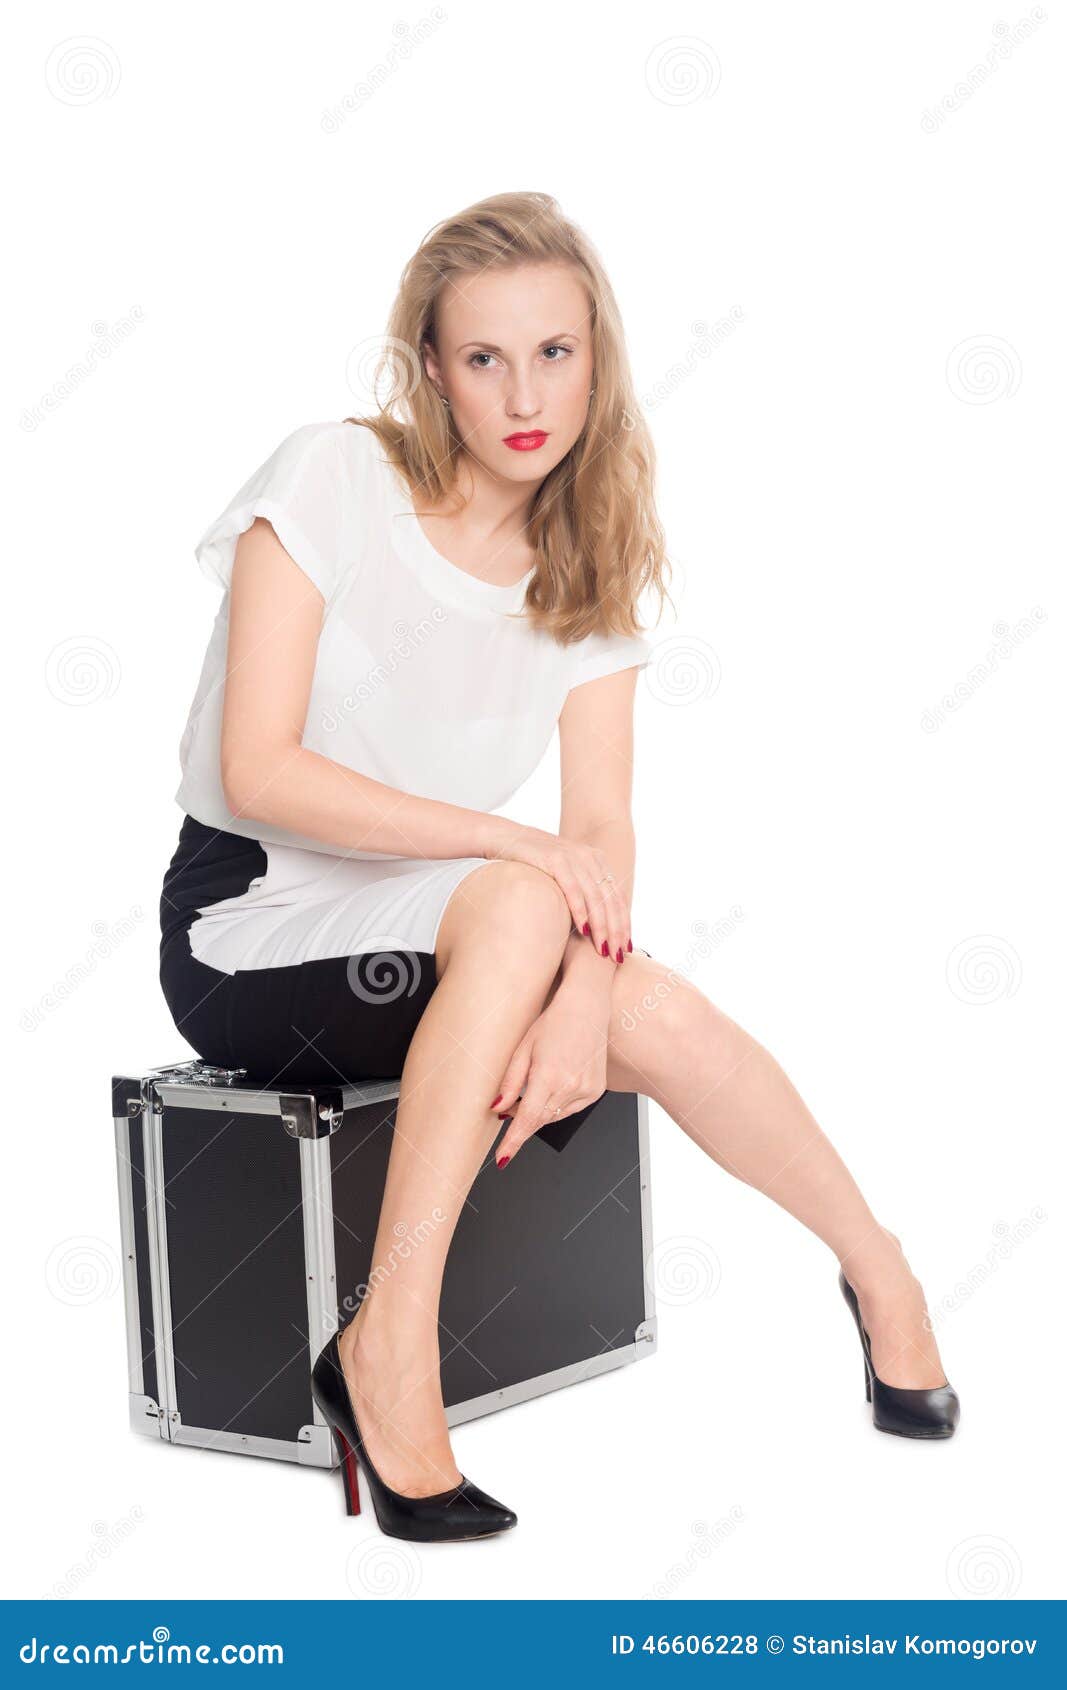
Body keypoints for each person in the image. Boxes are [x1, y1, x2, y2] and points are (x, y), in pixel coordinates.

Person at [159, 190, 959, 1546]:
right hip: (252, 920)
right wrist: (516, 847)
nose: (525, 393)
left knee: (635, 1002)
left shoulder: (588, 568)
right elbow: (262, 770)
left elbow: (604, 829)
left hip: (455, 920)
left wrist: (586, 994)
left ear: (599, 359)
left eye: (555, 353)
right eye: (484, 357)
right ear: (430, 370)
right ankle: (387, 1345)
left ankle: (883, 1273)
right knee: (530, 896)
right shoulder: (331, 479)